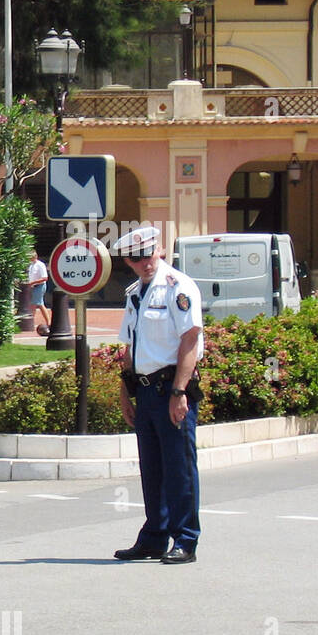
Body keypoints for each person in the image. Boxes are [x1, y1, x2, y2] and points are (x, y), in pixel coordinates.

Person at [112, 225, 203, 565]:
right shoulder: (136, 292)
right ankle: (154, 537)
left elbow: (190, 340)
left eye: (148, 254)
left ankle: (185, 539)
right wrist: (125, 393)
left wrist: (179, 392)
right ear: (128, 262)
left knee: (178, 467)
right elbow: (130, 347)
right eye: (136, 259)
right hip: (146, 391)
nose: (145, 263)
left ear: (160, 250)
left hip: (171, 388)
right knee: (153, 469)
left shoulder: (178, 287)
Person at [27, 250, 50, 334]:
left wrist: (33, 282)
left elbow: (45, 277)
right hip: (33, 287)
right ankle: (32, 322)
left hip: (39, 286)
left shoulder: (40, 265)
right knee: (37, 304)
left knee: (37, 304)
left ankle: (47, 322)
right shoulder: (31, 265)